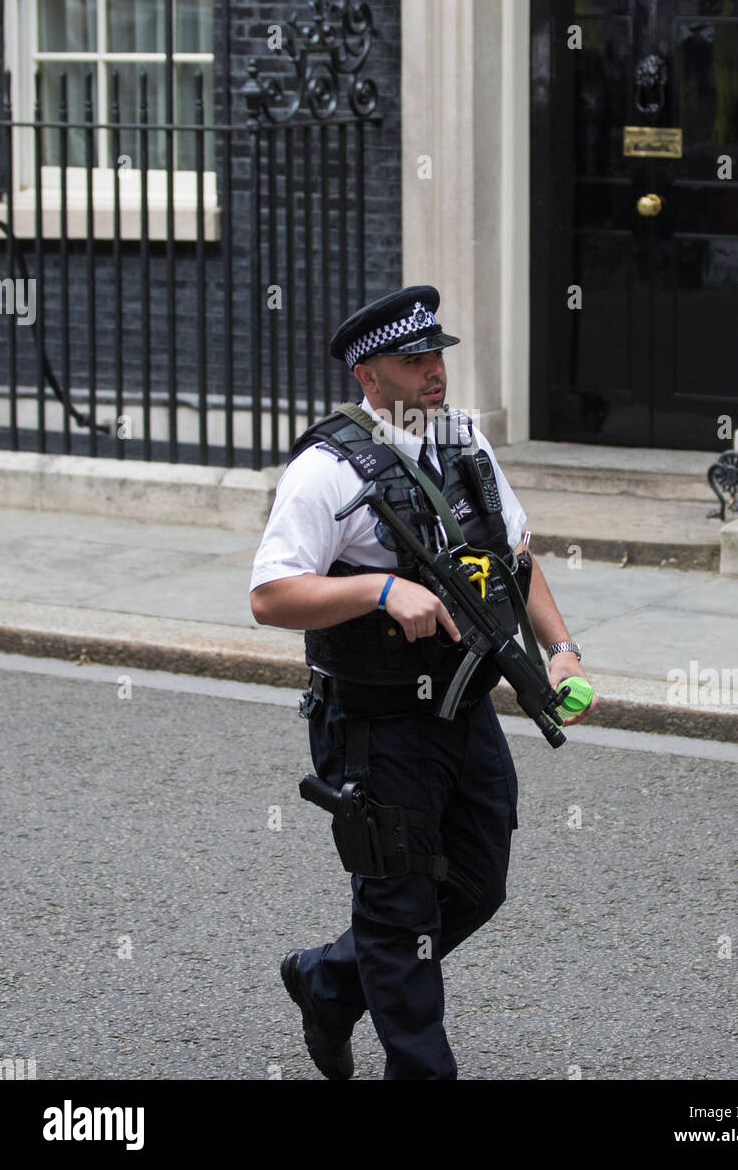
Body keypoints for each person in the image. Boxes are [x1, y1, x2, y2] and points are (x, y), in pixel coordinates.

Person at [250, 285, 596, 1080]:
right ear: (369, 379)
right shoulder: (326, 469)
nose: (434, 374)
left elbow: (516, 556)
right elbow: (271, 595)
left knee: (478, 884)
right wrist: (377, 589)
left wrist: (563, 649)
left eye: (437, 356)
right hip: (376, 726)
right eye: (414, 362)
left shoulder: (464, 440)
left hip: (463, 707)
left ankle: (329, 981)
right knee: (397, 906)